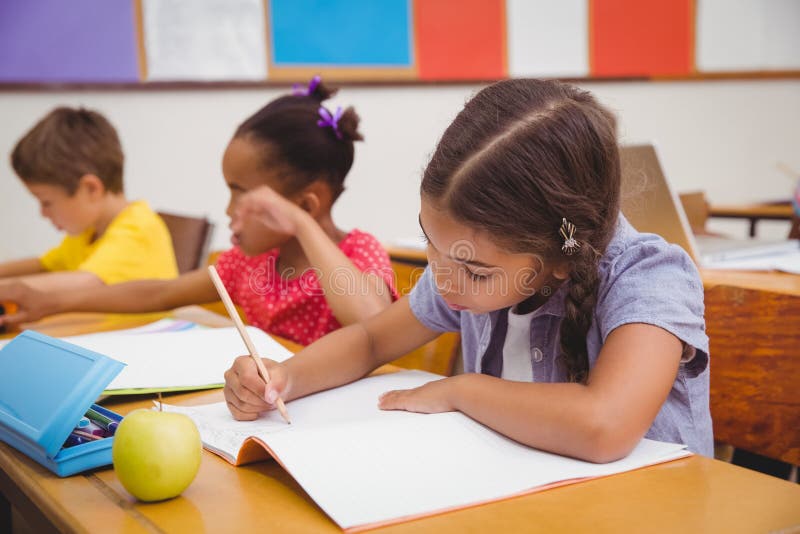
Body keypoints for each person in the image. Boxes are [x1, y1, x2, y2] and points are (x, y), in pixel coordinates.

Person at [223, 78, 711, 463]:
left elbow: (605, 426)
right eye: (431, 245)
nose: (443, 278)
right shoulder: (463, 267)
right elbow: (371, 340)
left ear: (561, 260)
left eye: (475, 272)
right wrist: (284, 378)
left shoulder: (649, 277)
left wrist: (462, 390)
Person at [0, 78, 397, 346]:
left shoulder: (359, 253)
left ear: (306, 204)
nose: (229, 210)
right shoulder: (247, 265)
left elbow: (374, 325)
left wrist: (302, 226)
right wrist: (53, 302)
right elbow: (158, 292)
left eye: (241, 194)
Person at [1, 107, 178, 291]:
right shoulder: (89, 232)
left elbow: (84, 282)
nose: (43, 213)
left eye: (47, 202)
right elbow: (44, 265)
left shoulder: (138, 230)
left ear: (91, 189)